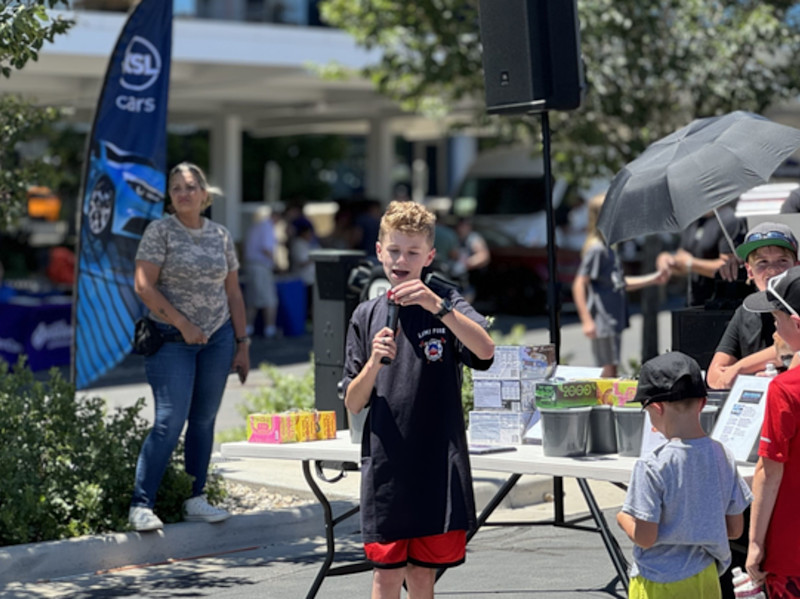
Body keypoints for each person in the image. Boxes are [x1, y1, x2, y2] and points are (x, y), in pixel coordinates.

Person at [341, 200, 495, 599]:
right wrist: (374, 362)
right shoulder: (366, 314)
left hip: (437, 463)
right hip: (388, 467)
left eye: (412, 252)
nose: (401, 260)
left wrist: (437, 306)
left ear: (429, 256)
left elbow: (485, 351)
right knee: (387, 575)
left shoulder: (446, 300)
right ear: (379, 252)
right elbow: (353, 402)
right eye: (393, 251)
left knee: (423, 575)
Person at [128, 162, 250, 532]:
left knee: (203, 420)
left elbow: (233, 292)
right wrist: (183, 325)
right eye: (177, 187)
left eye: (190, 186)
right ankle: (141, 504)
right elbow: (143, 286)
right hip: (170, 341)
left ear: (204, 195)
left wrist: (242, 344)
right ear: (170, 195)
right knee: (169, 421)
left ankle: (195, 498)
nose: (183, 193)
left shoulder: (220, 235)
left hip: (218, 339)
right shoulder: (159, 232)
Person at [617, 351, 753, 598]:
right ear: (702, 403)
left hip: (658, 582)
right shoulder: (723, 456)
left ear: (656, 407)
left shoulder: (652, 464)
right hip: (707, 576)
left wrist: (622, 518)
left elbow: (645, 537)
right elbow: (734, 529)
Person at [741, 266, 800, 597]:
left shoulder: (785, 388)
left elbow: (769, 471)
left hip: (791, 551)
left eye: (777, 320)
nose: (774, 329)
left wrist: (755, 544)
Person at [573, 194, 669, 377]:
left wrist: (653, 278)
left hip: (612, 319)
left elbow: (619, 283)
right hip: (603, 319)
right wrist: (587, 320)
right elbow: (579, 283)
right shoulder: (596, 249)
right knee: (606, 371)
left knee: (612, 369)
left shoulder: (608, 247)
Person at [706, 222, 799, 389]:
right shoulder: (745, 311)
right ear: (749, 271)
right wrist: (754, 380)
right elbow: (715, 377)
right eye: (762, 262)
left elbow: (786, 347)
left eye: (782, 261)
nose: (773, 270)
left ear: (797, 266)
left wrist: (740, 367)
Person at [656, 204, 746, 307]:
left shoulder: (729, 219)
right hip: (695, 302)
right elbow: (682, 258)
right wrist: (669, 260)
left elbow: (730, 268)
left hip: (723, 306)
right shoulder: (693, 220)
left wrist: (691, 264)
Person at [243, 205, 279, 338]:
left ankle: (248, 328)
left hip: (251, 265)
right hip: (261, 266)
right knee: (269, 299)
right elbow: (266, 248)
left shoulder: (256, 226)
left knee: (252, 299)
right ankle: (270, 329)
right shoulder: (267, 227)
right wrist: (276, 264)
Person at [449, 217, 490, 303]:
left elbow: (483, 256)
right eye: (460, 226)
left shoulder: (473, 238)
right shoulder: (453, 236)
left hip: (468, 275)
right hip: (453, 273)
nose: (461, 229)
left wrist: (467, 264)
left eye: (464, 226)